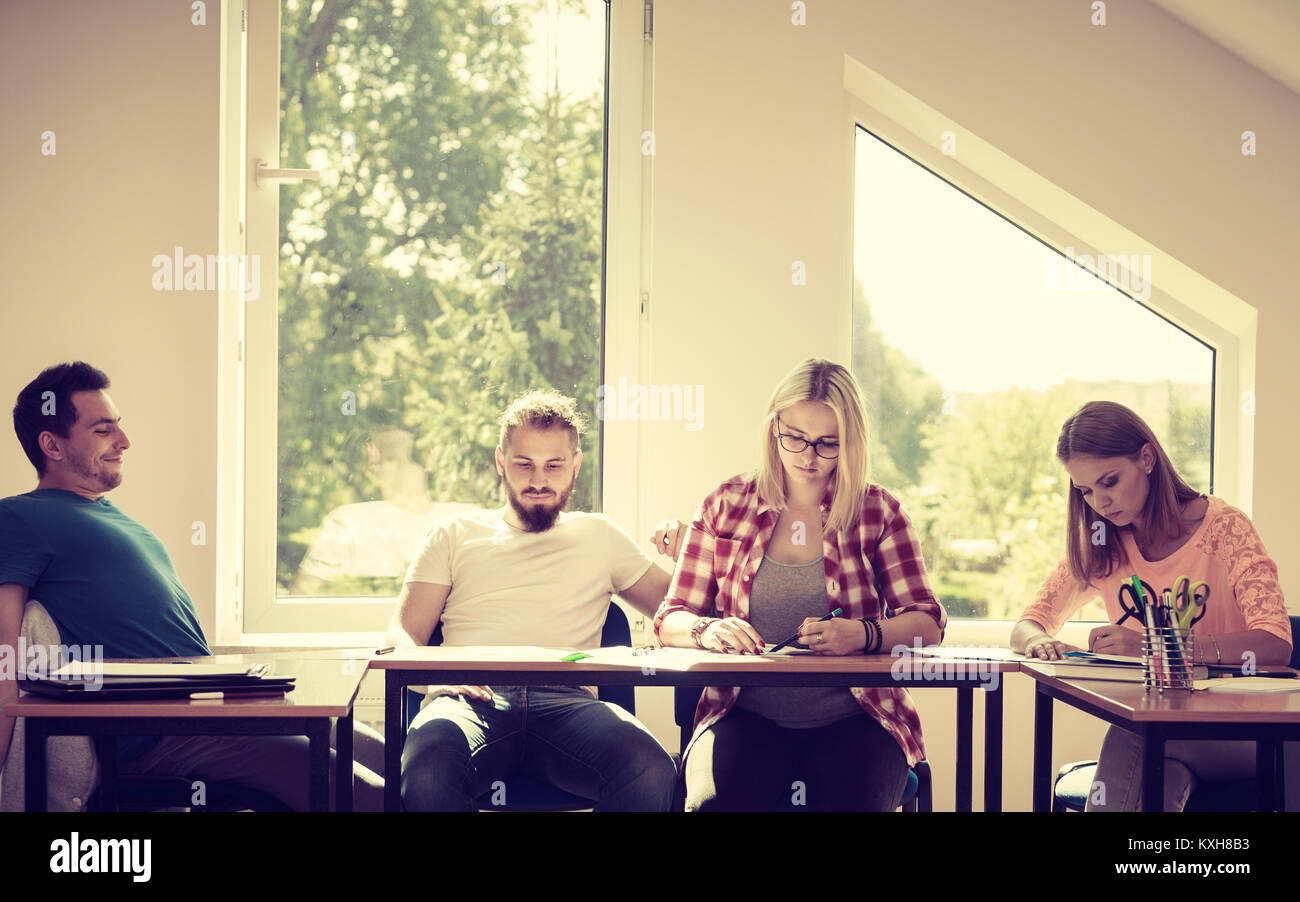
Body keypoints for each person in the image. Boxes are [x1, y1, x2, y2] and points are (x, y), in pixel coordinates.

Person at [0, 362, 385, 810]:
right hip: (163, 733)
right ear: (52, 444)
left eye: (119, 426)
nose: (124, 441)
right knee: (364, 794)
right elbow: (4, 651)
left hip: (219, 704)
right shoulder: (18, 517)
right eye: (104, 430)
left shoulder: (114, 517)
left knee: (387, 754)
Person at [652, 359, 946, 811]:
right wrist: (704, 630)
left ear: (851, 442)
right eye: (795, 438)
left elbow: (928, 624)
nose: (808, 457)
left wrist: (866, 634)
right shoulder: (725, 504)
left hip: (860, 719)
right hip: (742, 716)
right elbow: (670, 618)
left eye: (828, 444)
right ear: (774, 428)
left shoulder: (878, 512)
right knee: (715, 806)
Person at [389, 389, 677, 811]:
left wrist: (696, 547)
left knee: (651, 769)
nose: (538, 480)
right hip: (471, 702)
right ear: (501, 461)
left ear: (575, 464)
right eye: (524, 464)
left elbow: (683, 612)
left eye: (554, 465)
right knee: (427, 774)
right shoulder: (453, 534)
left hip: (569, 706)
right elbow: (402, 633)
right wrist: (436, 677)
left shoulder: (600, 535)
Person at [1010, 400, 1291, 811]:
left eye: (1109, 481)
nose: (1099, 503)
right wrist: (1037, 641)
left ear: (1146, 458)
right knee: (1155, 777)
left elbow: (1274, 644)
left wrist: (1158, 645)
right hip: (1166, 734)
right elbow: (1028, 624)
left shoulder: (1224, 528)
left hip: (1247, 733)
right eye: (1085, 491)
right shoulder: (1103, 543)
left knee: (1135, 737)